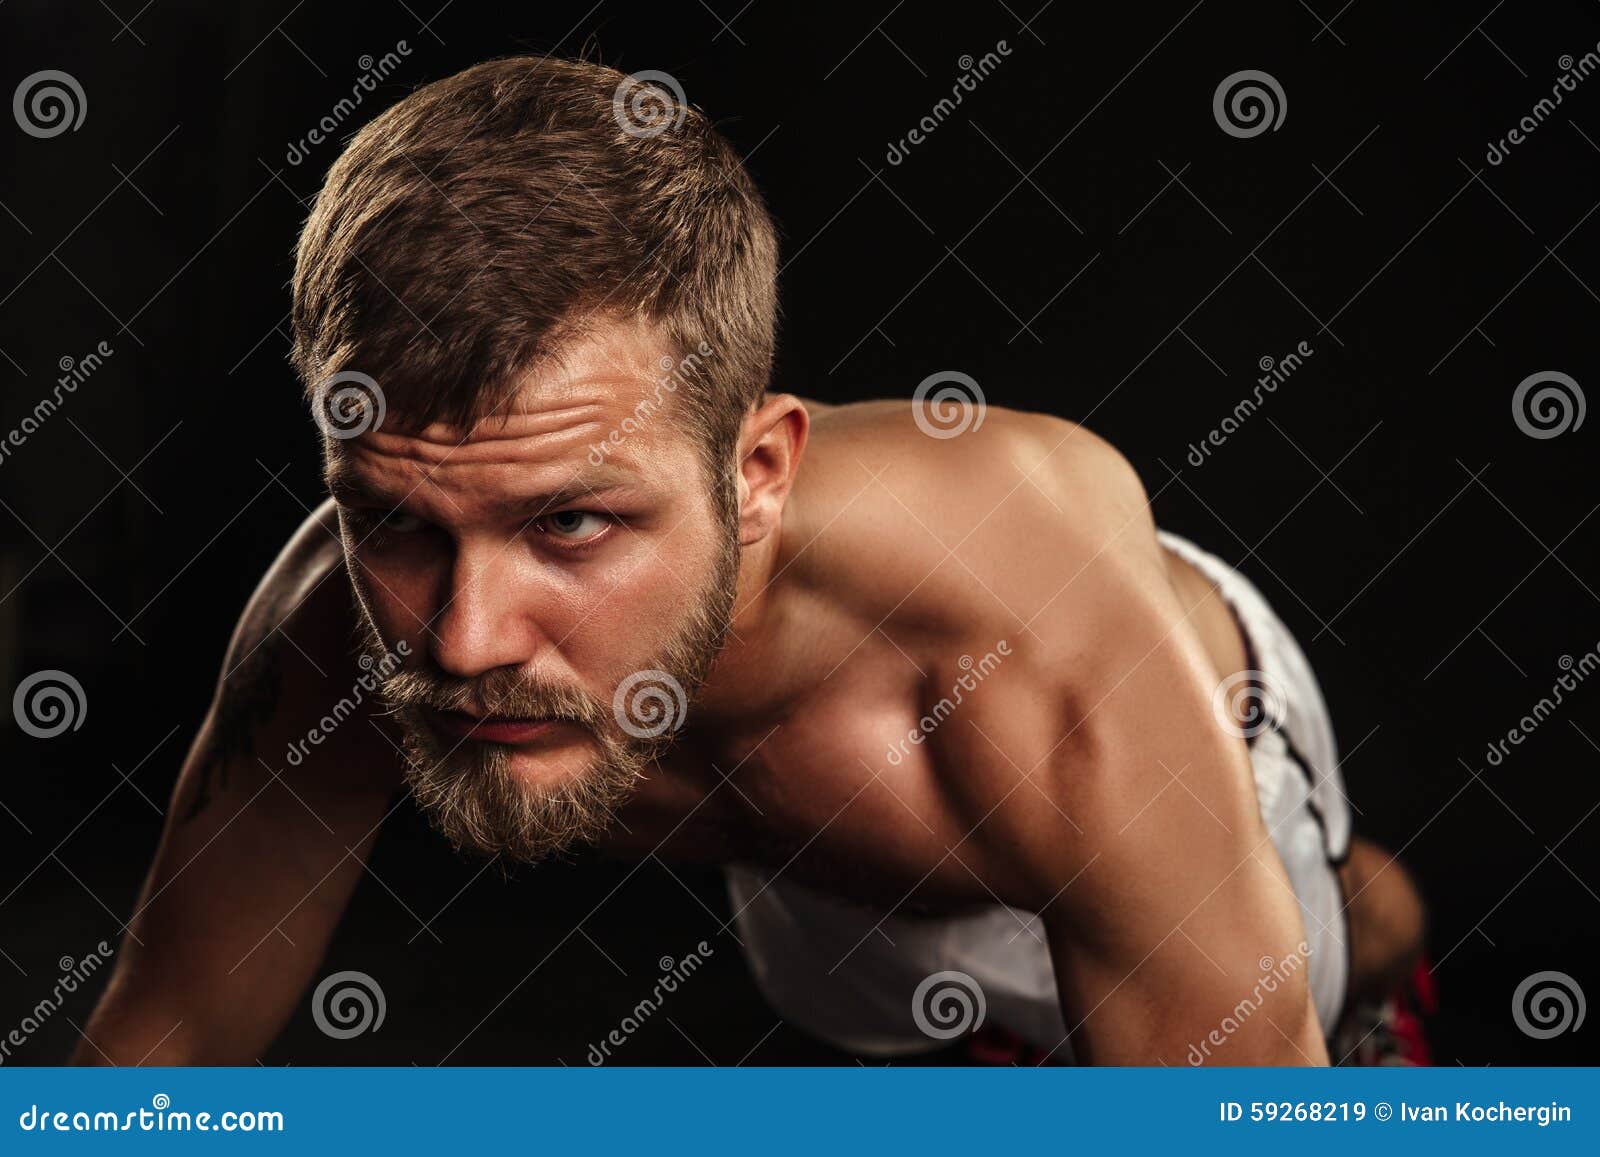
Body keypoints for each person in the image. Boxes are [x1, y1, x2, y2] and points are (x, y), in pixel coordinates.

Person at [77, 54, 1424, 1067]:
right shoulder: (350, 619)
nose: (466, 638)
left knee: (1329, 961)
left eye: (571, 524)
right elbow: (164, 1042)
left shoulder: (1020, 625)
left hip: (1181, 730)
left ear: (758, 472)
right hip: (838, 903)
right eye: (398, 521)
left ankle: (1367, 917)